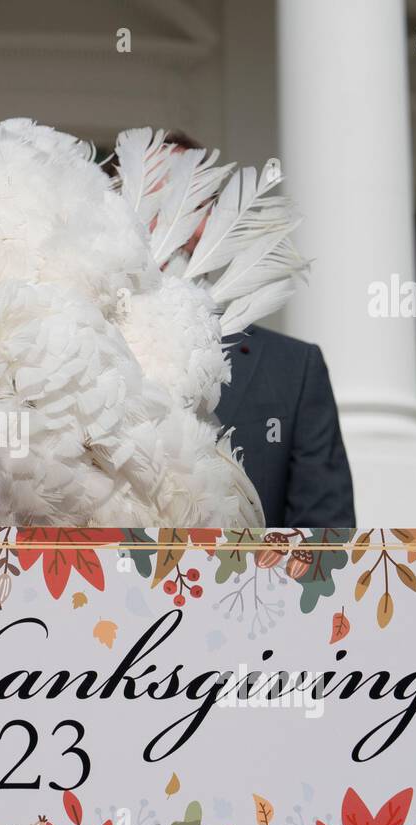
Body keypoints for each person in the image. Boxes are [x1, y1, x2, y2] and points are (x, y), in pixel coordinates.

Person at [153, 130, 356, 527]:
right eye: (153, 201)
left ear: (215, 219)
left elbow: (326, 542)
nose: (169, 223)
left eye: (189, 200)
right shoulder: (62, 356)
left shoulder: (293, 370)